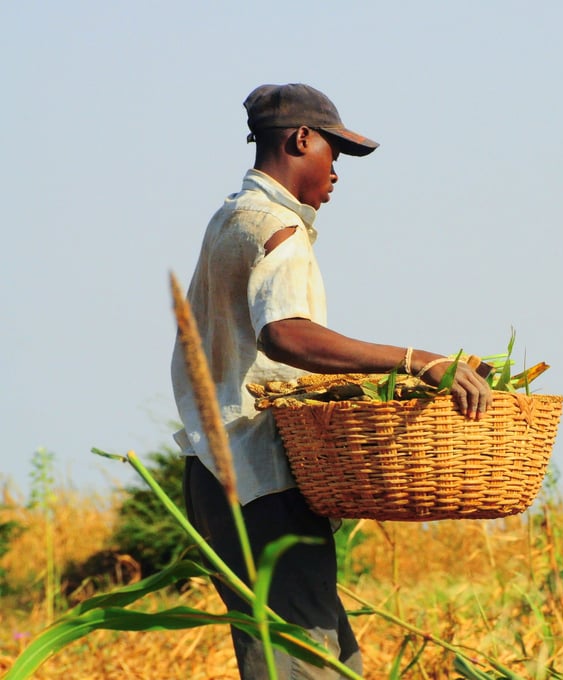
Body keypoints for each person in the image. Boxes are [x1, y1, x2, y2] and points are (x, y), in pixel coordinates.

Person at [170, 82, 493, 679]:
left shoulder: (229, 220)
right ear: (300, 139)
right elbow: (285, 333)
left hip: (211, 477)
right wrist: (418, 360)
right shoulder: (278, 228)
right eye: (333, 153)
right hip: (263, 479)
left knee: (316, 655)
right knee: (306, 664)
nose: (337, 172)